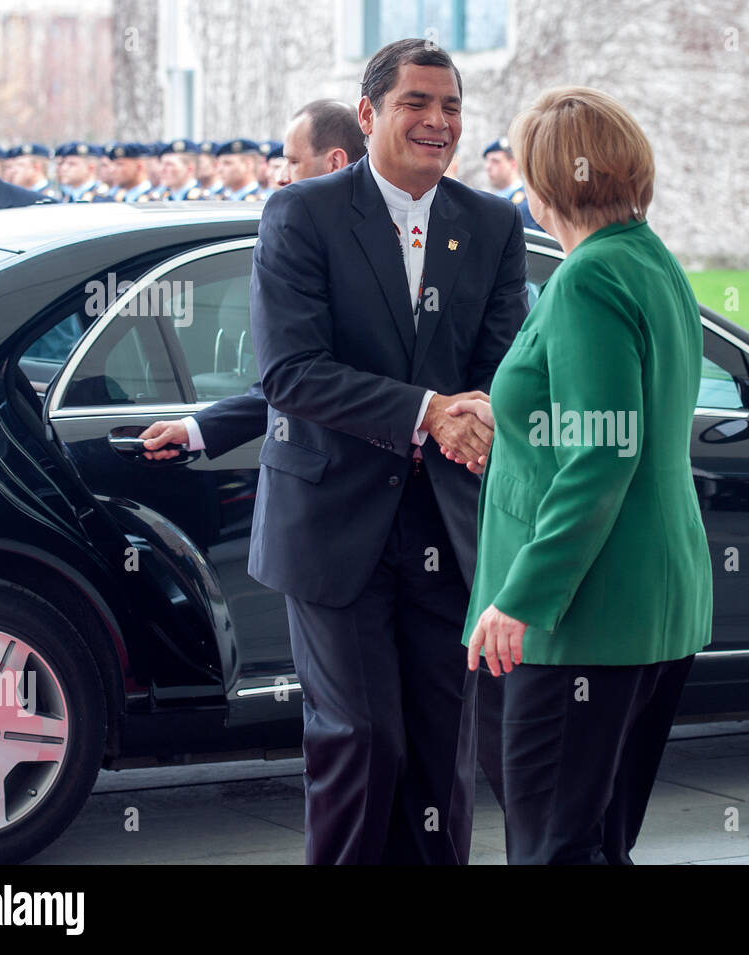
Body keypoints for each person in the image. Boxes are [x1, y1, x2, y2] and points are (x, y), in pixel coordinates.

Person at [246, 38, 526, 864]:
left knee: (444, 758)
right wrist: (429, 411)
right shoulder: (302, 213)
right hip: (333, 523)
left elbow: (501, 363)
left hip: (447, 525)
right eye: (417, 103)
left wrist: (481, 414)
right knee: (362, 741)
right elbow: (289, 371)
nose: (438, 121)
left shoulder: (490, 223)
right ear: (368, 115)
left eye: (451, 106)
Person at [456, 86, 712, 865]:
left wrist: (522, 596)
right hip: (650, 604)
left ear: (543, 186)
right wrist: (509, 419)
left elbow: (602, 451)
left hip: (581, 619)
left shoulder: (585, 280)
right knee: (596, 843)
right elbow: (604, 417)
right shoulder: (647, 260)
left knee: (553, 850)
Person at [138, 100, 371, 463]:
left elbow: (306, 377)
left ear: (335, 163)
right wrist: (199, 429)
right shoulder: (312, 238)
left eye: (292, 161)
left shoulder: (374, 246)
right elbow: (292, 377)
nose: (279, 176)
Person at [482, 136, 540, 230]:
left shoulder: (528, 203)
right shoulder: (494, 200)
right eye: (487, 161)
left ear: (513, 163)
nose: (488, 167)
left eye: (495, 161)